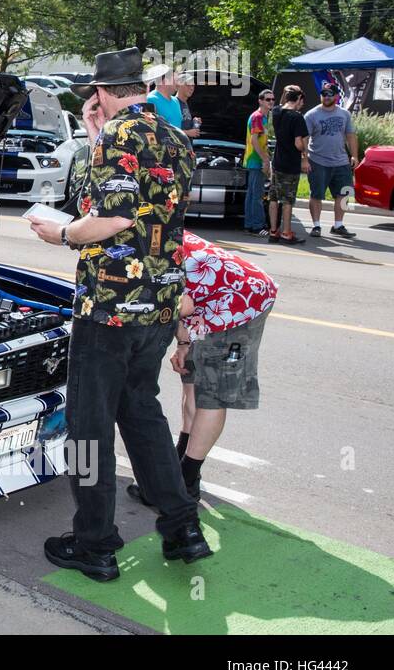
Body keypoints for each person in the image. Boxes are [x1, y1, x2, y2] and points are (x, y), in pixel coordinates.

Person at [27, 47, 209, 582]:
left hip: (107, 307)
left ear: (102, 92)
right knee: (143, 413)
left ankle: (96, 545)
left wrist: (60, 234)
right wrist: (91, 137)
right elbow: (140, 203)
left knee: (88, 429)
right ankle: (182, 528)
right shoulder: (176, 136)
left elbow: (105, 216)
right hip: (159, 303)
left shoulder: (117, 138)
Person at [127, 231, 276, 505]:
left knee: (212, 395)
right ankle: (179, 462)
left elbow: (177, 305)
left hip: (239, 305)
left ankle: (186, 480)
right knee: (191, 380)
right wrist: (183, 344)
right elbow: (184, 300)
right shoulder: (151, 228)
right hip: (208, 305)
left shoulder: (149, 249)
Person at [305, 81, 359, 238]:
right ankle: (316, 226)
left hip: (341, 161)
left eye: (329, 94)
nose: (326, 97)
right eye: (323, 94)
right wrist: (305, 159)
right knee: (316, 194)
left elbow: (351, 136)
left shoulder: (344, 114)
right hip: (317, 160)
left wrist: (354, 155)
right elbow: (304, 138)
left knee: (345, 193)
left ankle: (338, 225)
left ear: (336, 96)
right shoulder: (311, 115)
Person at [267, 86, 309, 243]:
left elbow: (282, 101)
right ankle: (286, 232)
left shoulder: (276, 111)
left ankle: (273, 231)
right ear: (298, 99)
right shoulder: (297, 117)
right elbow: (299, 143)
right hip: (290, 163)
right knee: (287, 200)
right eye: (301, 101)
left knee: (273, 197)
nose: (302, 104)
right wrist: (305, 153)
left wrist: (288, 92)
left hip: (277, 161)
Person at [240, 89, 273, 235]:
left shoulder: (264, 117)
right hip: (255, 160)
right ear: (260, 101)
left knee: (253, 194)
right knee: (257, 195)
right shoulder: (258, 117)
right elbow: (254, 141)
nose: (271, 102)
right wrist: (265, 160)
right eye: (267, 99)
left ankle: (250, 224)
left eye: (272, 99)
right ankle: (257, 226)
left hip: (256, 159)